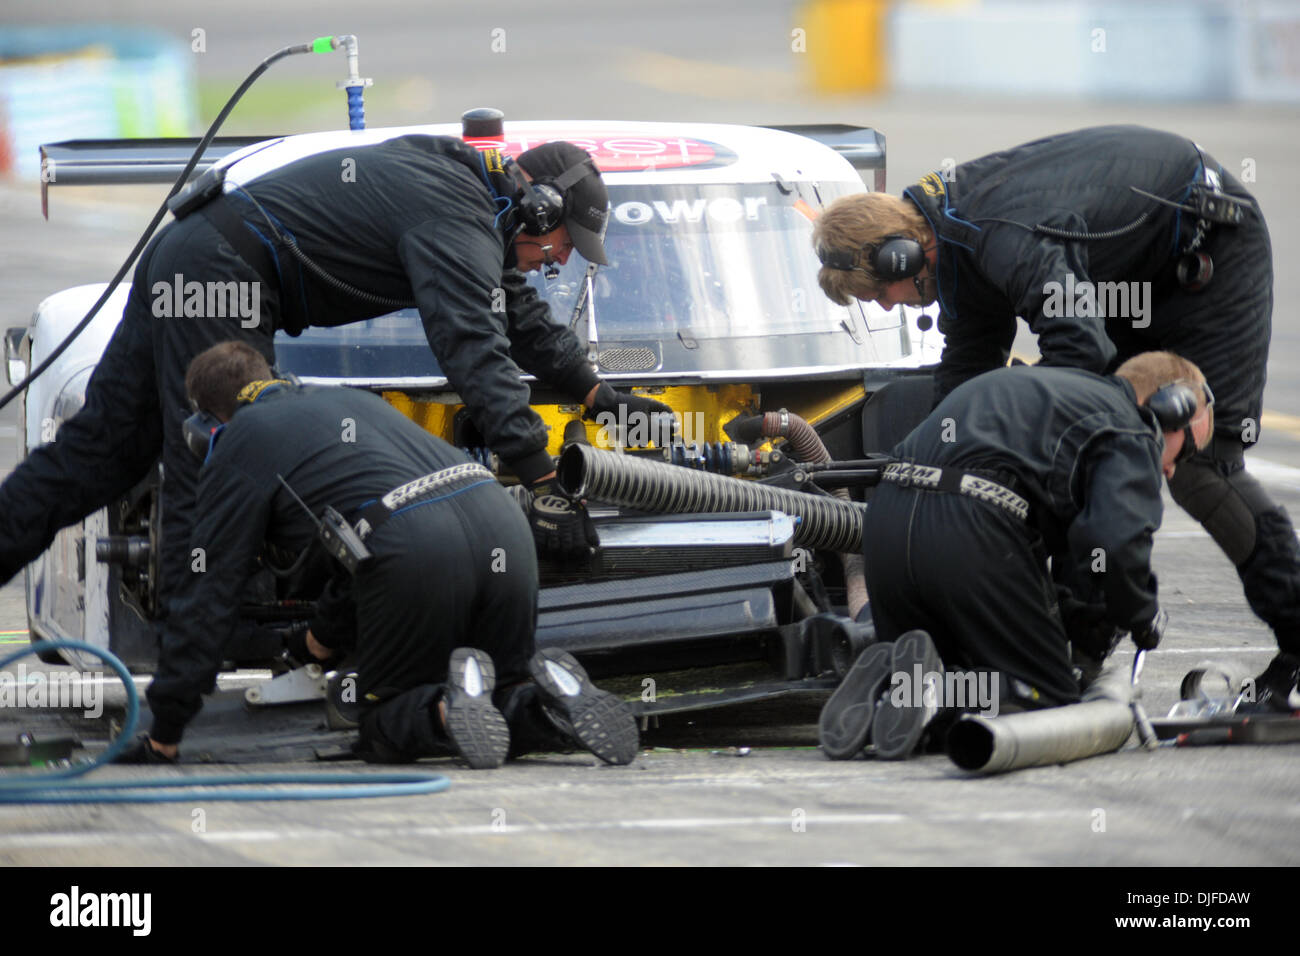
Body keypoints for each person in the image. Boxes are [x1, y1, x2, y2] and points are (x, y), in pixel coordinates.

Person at [0, 133, 671, 617]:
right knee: (216, 457)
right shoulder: (458, 215)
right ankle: (183, 680)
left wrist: (601, 397)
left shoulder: (473, 205)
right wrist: (544, 480)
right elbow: (472, 350)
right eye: (561, 250)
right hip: (219, 275)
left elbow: (521, 324)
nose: (554, 265)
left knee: (102, 453)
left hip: (195, 256)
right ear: (540, 210)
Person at [812, 125, 1298, 713]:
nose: (887, 306)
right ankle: (1070, 650)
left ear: (906, 254)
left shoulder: (1005, 237)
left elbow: (1081, 356)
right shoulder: (953, 246)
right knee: (1050, 450)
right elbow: (966, 374)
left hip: (1207, 253)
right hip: (1129, 276)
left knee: (1202, 467)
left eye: (880, 292)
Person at [117, 341, 640, 767]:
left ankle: (440, 707)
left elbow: (206, 599)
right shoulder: (354, 402)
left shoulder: (238, 441)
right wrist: (319, 640)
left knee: (382, 724)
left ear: (207, 424)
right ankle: (550, 706)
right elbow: (354, 550)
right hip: (503, 525)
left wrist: (164, 732)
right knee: (505, 686)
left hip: (412, 542)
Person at [818, 352, 1214, 760]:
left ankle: (894, 687)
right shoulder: (1128, 427)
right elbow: (1114, 544)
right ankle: (937, 692)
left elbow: (1084, 557)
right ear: (1169, 408)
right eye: (1186, 452)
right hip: (968, 526)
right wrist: (1140, 613)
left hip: (886, 525)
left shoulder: (1043, 392)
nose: (1171, 472)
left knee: (954, 684)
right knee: (1046, 702)